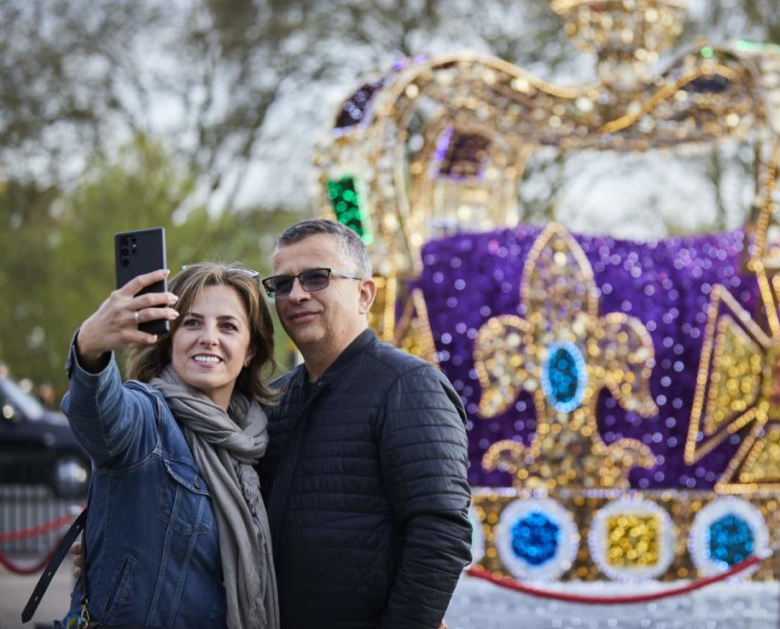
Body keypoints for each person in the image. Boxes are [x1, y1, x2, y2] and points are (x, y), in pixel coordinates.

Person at [258, 218, 473, 628]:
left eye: (316, 278)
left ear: (364, 293)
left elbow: (441, 534)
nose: (296, 295)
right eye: (283, 284)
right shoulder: (274, 397)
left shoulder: (409, 386)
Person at [62, 263, 279, 628]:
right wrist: (90, 345)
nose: (208, 337)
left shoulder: (257, 441)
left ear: (250, 352)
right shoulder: (147, 416)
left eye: (227, 326)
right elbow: (99, 414)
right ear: (170, 338)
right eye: (192, 323)